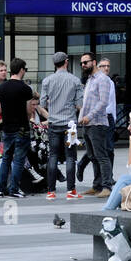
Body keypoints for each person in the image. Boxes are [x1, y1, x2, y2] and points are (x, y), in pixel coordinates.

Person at [39, 51, 83, 201]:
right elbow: (79, 104)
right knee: (71, 156)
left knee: (53, 156)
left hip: (53, 123)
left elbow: (42, 103)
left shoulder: (47, 81)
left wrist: (53, 107)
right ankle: (71, 190)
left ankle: (51, 191)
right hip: (70, 124)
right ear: (66, 62)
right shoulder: (75, 80)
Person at [0, 60, 33, 198]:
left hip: (7, 127)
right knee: (19, 159)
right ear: (21, 70)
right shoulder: (25, 88)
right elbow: (28, 109)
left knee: (6, 158)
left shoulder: (2, 88)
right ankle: (14, 189)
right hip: (21, 127)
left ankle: (0, 188)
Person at [78, 54, 115, 199]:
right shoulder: (90, 80)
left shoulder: (103, 79)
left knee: (101, 156)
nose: (83, 65)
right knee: (93, 156)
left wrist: (89, 116)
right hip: (87, 123)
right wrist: (81, 118)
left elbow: (103, 102)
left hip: (97, 123)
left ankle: (107, 186)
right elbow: (86, 101)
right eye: (81, 63)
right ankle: (97, 185)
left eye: (86, 62)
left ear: (93, 62)